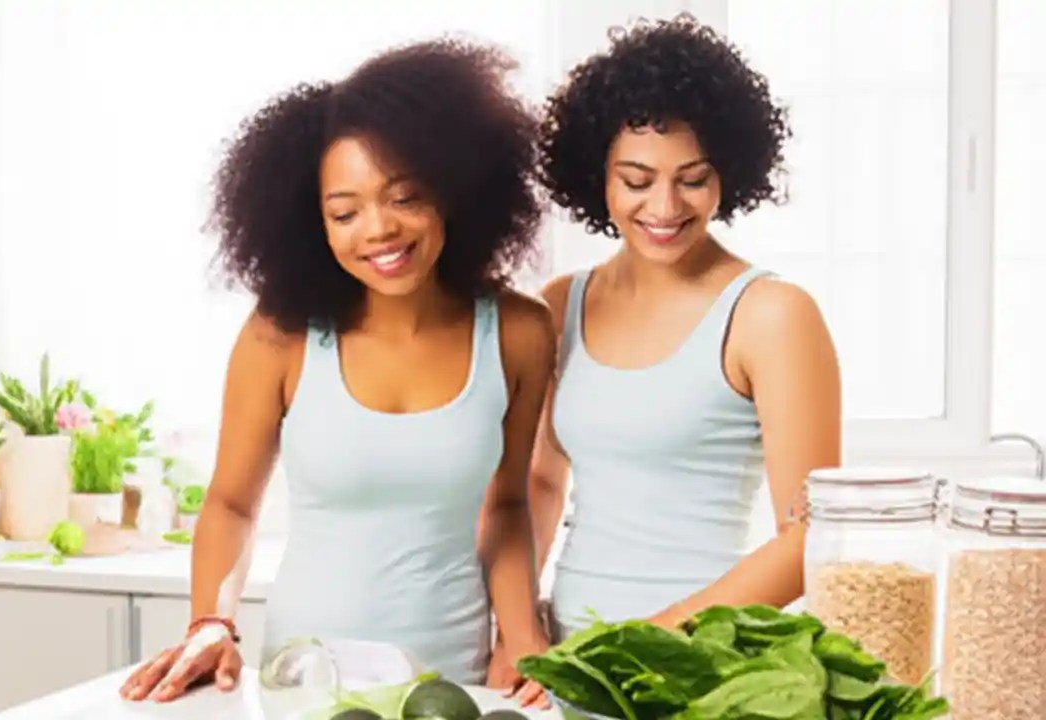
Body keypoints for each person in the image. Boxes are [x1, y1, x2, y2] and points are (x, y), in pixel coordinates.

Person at [119, 37, 555, 706]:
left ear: (454, 191)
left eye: (404, 197)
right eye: (344, 213)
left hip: (450, 681)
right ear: (312, 224)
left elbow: (505, 505)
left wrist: (520, 636)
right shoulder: (282, 335)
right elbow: (233, 504)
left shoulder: (518, 333)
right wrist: (211, 620)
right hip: (303, 678)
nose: (377, 230)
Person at [525, 14, 842, 642]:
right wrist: (515, 628)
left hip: (696, 660)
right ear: (599, 178)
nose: (665, 208)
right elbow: (539, 480)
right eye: (637, 181)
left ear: (729, 174)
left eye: (692, 180)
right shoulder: (561, 305)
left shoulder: (770, 314)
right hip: (568, 659)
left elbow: (813, 532)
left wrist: (656, 635)